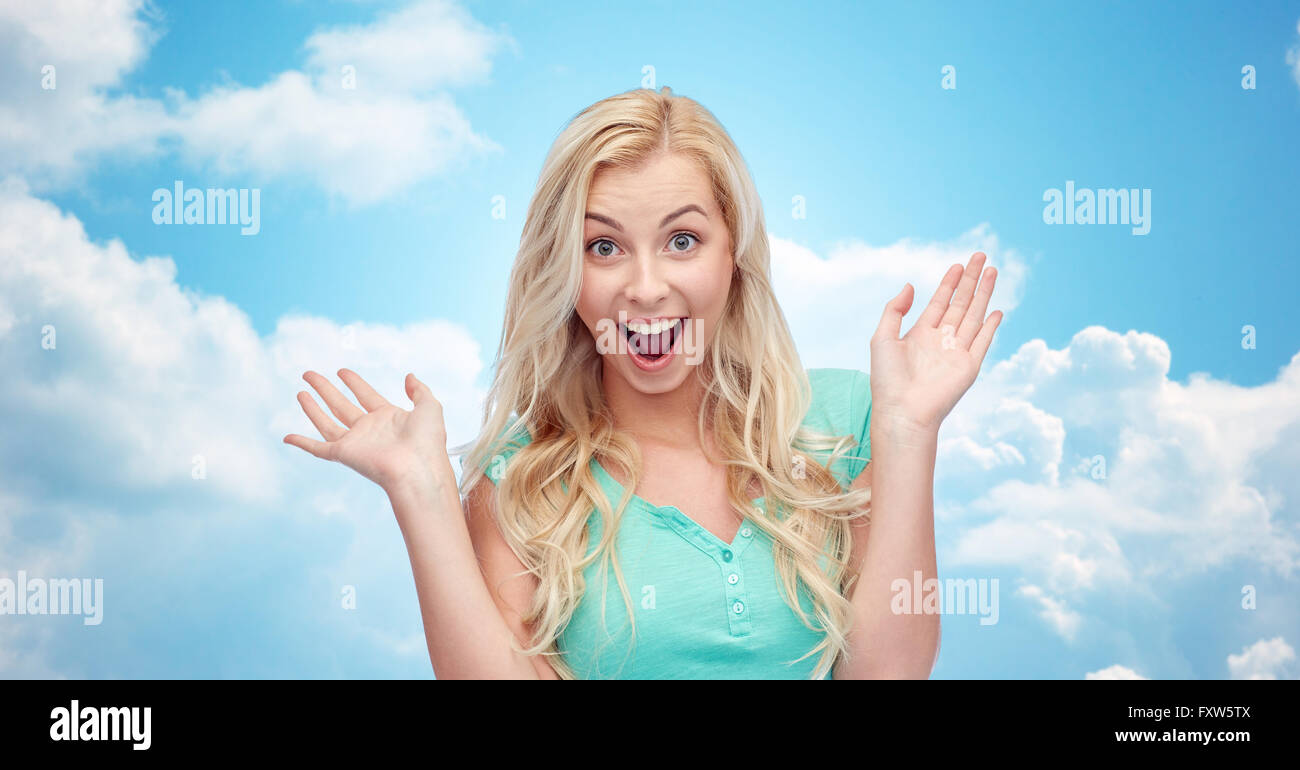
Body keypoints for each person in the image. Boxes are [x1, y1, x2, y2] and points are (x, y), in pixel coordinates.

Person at [284, 86, 1002, 679]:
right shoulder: (522, 483)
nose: (646, 287)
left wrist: (908, 433)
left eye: (682, 240)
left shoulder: (849, 417)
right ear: (564, 275)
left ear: (734, 255)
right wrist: (423, 493)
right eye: (603, 247)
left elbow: (891, 673)